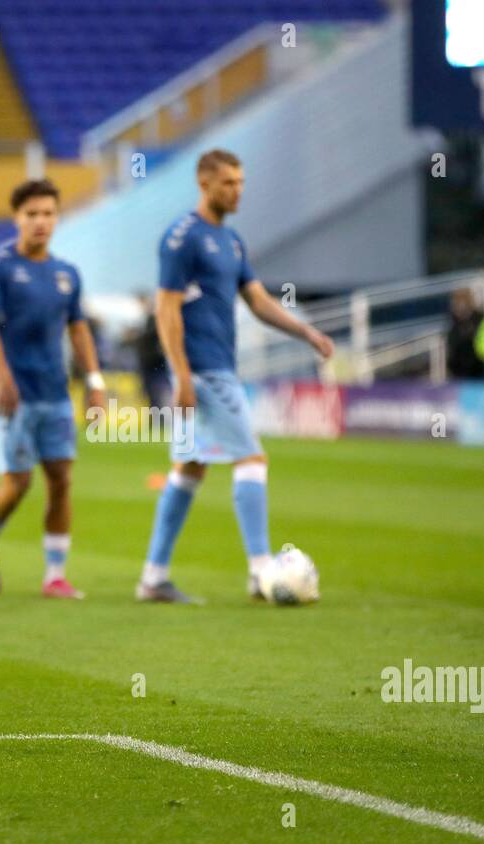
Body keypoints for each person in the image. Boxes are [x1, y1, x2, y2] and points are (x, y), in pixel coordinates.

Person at [135, 149, 334, 603]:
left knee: (188, 469)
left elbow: (259, 301)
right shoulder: (182, 237)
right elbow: (165, 307)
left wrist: (306, 332)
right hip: (204, 373)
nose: (237, 190)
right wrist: (182, 375)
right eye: (228, 183)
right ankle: (263, 571)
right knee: (253, 459)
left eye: (241, 182)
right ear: (204, 184)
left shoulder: (232, 241)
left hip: (212, 370)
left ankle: (153, 576)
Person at [0, 178, 105, 599]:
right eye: (32, 214)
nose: (41, 222)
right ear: (17, 218)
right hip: (15, 394)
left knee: (61, 478)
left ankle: (55, 576)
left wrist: (95, 381)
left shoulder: (66, 274)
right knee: (18, 483)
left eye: (48, 213)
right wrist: (3, 377)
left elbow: (79, 329)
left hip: (56, 393)